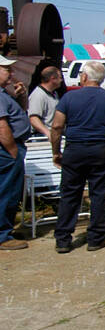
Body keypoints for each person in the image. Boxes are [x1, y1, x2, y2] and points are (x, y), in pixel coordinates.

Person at [50, 61, 105, 252]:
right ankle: (96, 238)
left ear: (85, 77)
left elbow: (57, 126)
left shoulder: (69, 97)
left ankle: (63, 239)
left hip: (75, 149)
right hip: (101, 149)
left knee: (70, 194)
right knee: (99, 193)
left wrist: (56, 151)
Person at [0, 54, 32, 251]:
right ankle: (2, 235)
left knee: (11, 191)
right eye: (7, 69)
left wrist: (21, 96)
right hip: (7, 150)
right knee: (6, 191)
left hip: (11, 149)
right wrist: (13, 152)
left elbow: (17, 113)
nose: (11, 73)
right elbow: (2, 126)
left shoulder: (4, 93)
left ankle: (6, 230)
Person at [28, 64, 63, 138]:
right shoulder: (38, 95)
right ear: (53, 78)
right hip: (42, 137)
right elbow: (33, 119)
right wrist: (48, 133)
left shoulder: (54, 93)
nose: (61, 80)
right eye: (60, 78)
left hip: (53, 134)